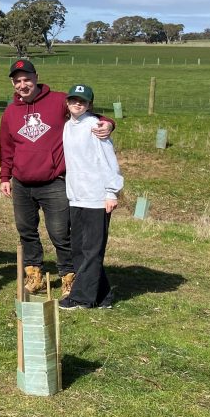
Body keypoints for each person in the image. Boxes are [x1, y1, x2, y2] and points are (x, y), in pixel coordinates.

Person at [0, 59, 113, 298]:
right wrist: (5, 176)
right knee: (26, 231)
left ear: (36, 77)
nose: (23, 84)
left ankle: (69, 276)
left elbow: (88, 114)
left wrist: (109, 123)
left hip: (54, 182)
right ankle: (34, 273)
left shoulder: (58, 101)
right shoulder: (10, 111)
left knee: (60, 233)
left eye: (27, 79)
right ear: (13, 83)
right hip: (21, 183)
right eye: (18, 81)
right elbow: (7, 146)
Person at [59, 84, 123, 310]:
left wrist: (111, 192)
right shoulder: (67, 126)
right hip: (77, 196)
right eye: (74, 100)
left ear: (89, 105)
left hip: (97, 198)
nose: (78, 104)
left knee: (92, 249)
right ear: (67, 102)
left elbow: (108, 160)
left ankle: (81, 298)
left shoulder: (95, 127)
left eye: (83, 101)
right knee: (79, 248)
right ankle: (103, 296)